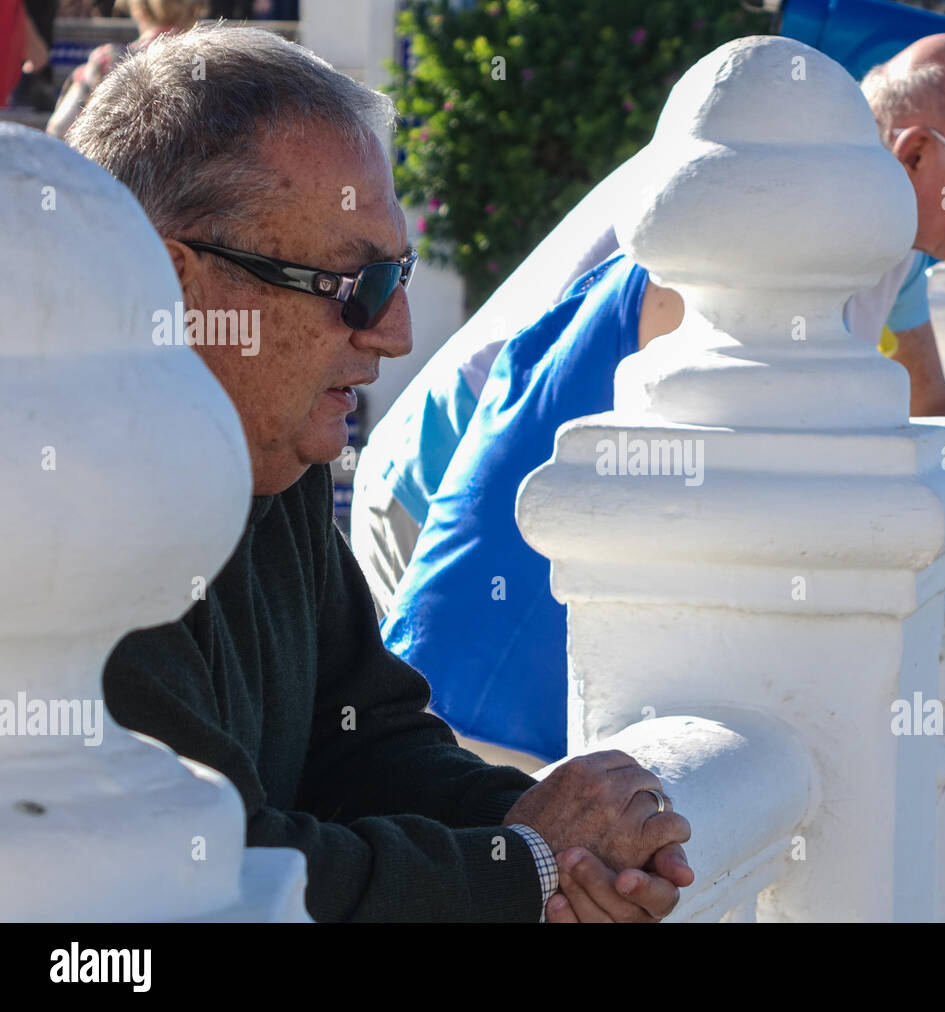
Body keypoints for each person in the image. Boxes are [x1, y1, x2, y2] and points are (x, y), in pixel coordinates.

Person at [353, 33, 945, 767]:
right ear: (912, 156)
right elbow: (805, 457)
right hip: (439, 490)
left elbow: (926, 421)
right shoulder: (777, 201)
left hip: (548, 508)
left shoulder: (882, 236)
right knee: (461, 797)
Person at [68, 23, 691, 923]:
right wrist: (522, 863)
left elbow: (358, 740)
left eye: (396, 274)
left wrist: (549, 838)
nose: (395, 333)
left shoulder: (265, 452)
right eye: (352, 283)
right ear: (176, 287)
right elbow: (209, 873)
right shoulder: (59, 514)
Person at [45, 0, 201, 139]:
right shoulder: (201, 62)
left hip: (119, 164)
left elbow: (58, 128)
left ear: (139, 11)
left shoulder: (109, 59)